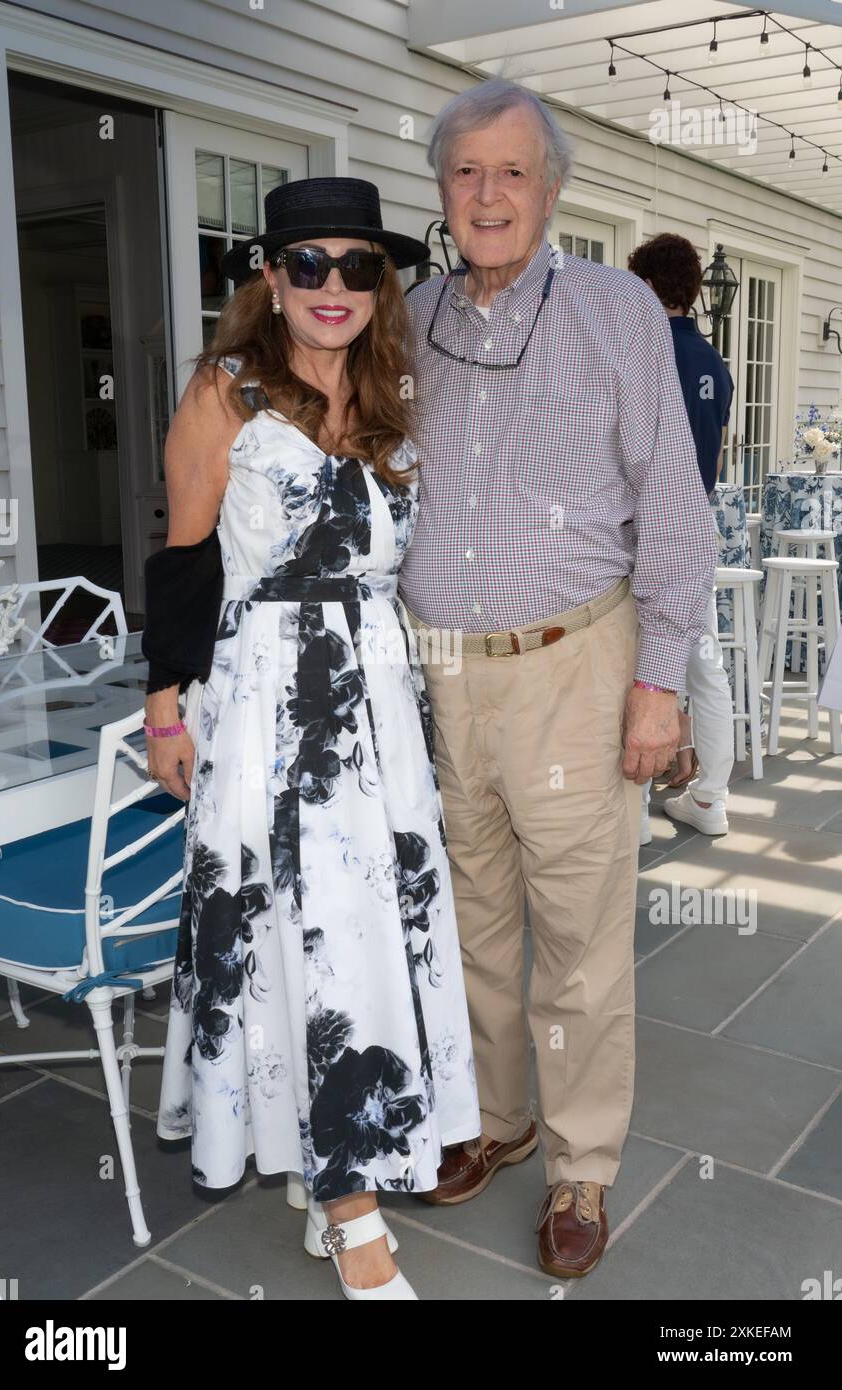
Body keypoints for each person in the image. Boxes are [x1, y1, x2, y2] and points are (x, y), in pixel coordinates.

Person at [398, 79, 717, 1278]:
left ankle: (580, 1166)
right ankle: (496, 1116)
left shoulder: (617, 312)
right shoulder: (411, 314)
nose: (488, 194)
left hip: (577, 662)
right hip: (445, 673)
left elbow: (675, 507)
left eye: (512, 171)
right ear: (442, 190)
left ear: (554, 185)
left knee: (578, 933)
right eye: (466, 172)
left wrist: (662, 679)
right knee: (475, 914)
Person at [144, 177, 481, 1301]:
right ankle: (354, 1218)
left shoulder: (393, 396)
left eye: (357, 265)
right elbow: (185, 562)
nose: (332, 286)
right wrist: (163, 706)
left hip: (379, 703)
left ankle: (326, 1157)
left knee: (364, 935)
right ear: (270, 278)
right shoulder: (225, 392)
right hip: (265, 706)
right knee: (309, 935)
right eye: (307, 264)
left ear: (381, 282)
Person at [628, 233, 736, 838]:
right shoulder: (715, 364)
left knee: (634, 669)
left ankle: (636, 811)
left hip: (640, 530)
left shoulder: (640, 352)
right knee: (703, 666)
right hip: (694, 525)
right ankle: (712, 798)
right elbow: (715, 462)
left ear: (643, 284)